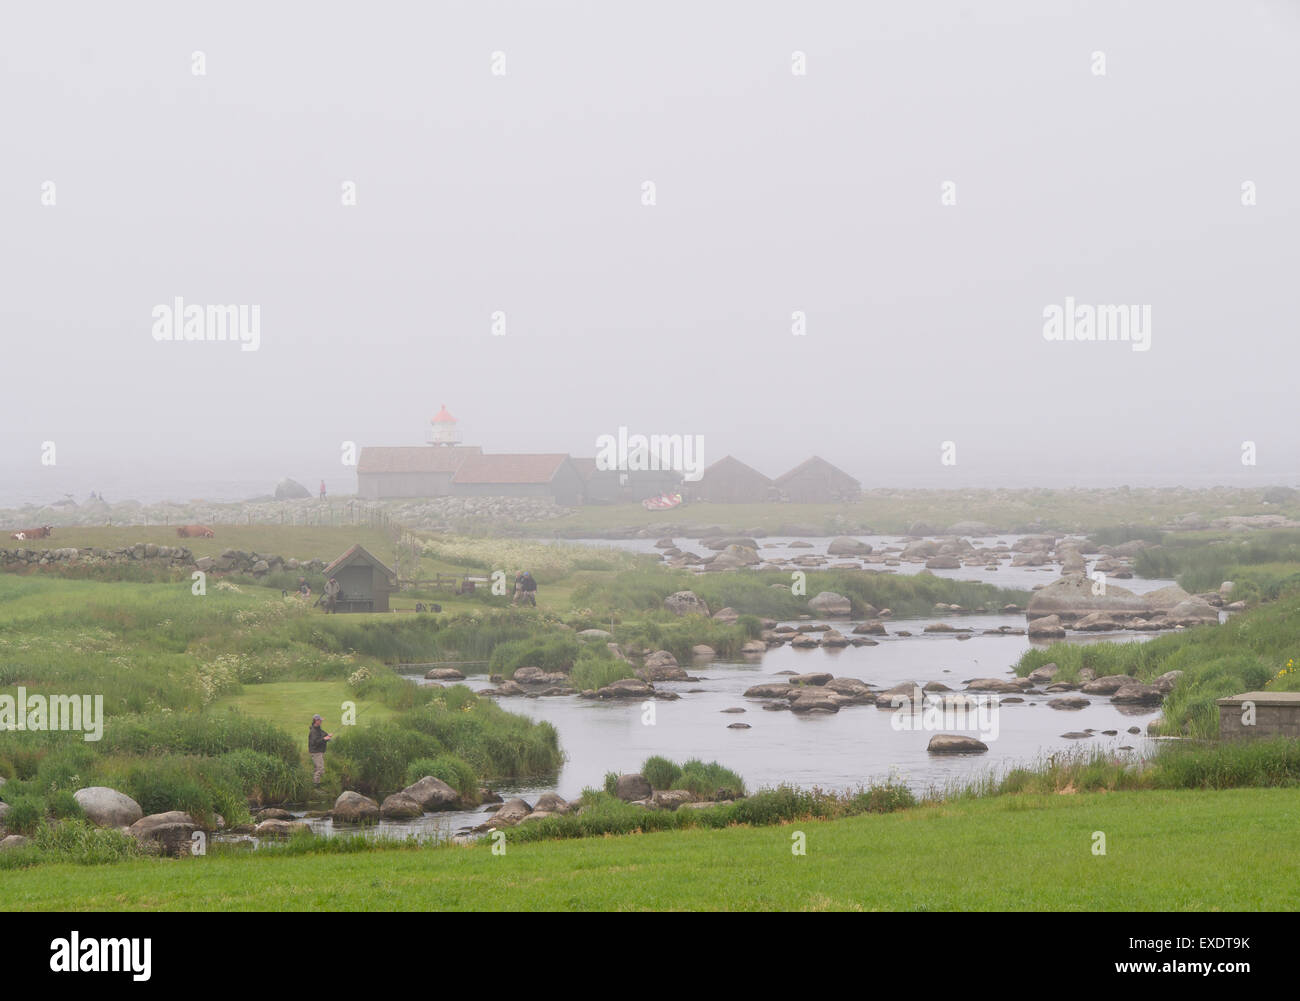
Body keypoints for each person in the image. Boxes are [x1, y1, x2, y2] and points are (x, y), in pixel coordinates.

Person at [308, 714, 333, 788]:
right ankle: (316, 785)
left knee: (317, 768)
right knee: (320, 769)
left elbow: (323, 734)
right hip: (316, 752)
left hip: (319, 752)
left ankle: (316, 784)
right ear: (316, 721)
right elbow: (315, 742)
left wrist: (328, 736)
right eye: (320, 720)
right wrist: (324, 739)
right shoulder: (313, 731)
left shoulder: (318, 729)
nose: (321, 721)